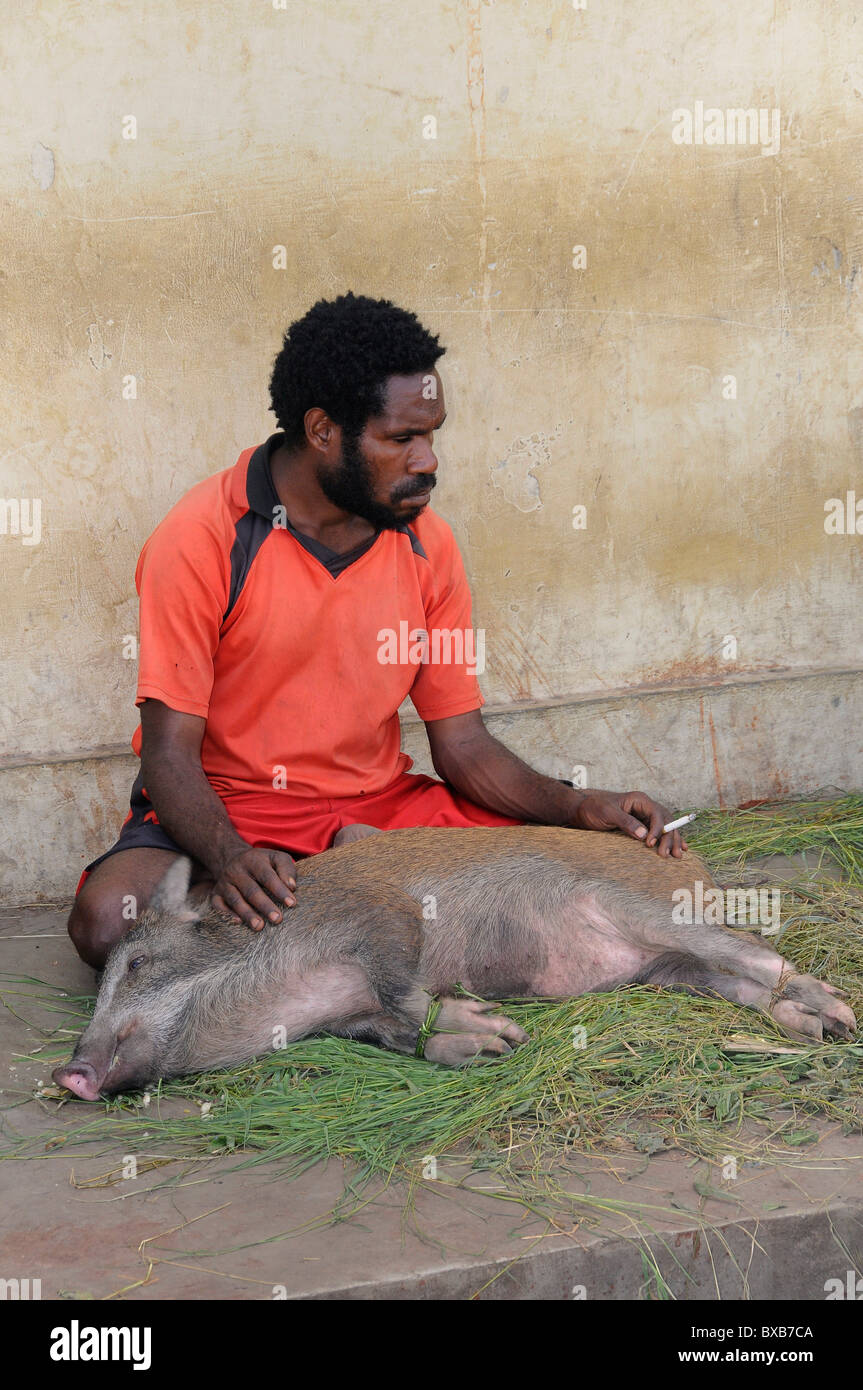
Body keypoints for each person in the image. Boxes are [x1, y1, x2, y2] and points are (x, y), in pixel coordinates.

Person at [68, 293, 686, 969]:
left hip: (378, 812)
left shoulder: (429, 545)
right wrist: (231, 858)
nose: (426, 461)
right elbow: (169, 756)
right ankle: (344, 903)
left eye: (431, 436)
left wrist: (574, 807)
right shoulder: (201, 539)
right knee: (107, 922)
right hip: (229, 812)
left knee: (594, 865)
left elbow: (463, 745)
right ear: (323, 430)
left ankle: (328, 907)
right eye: (401, 440)